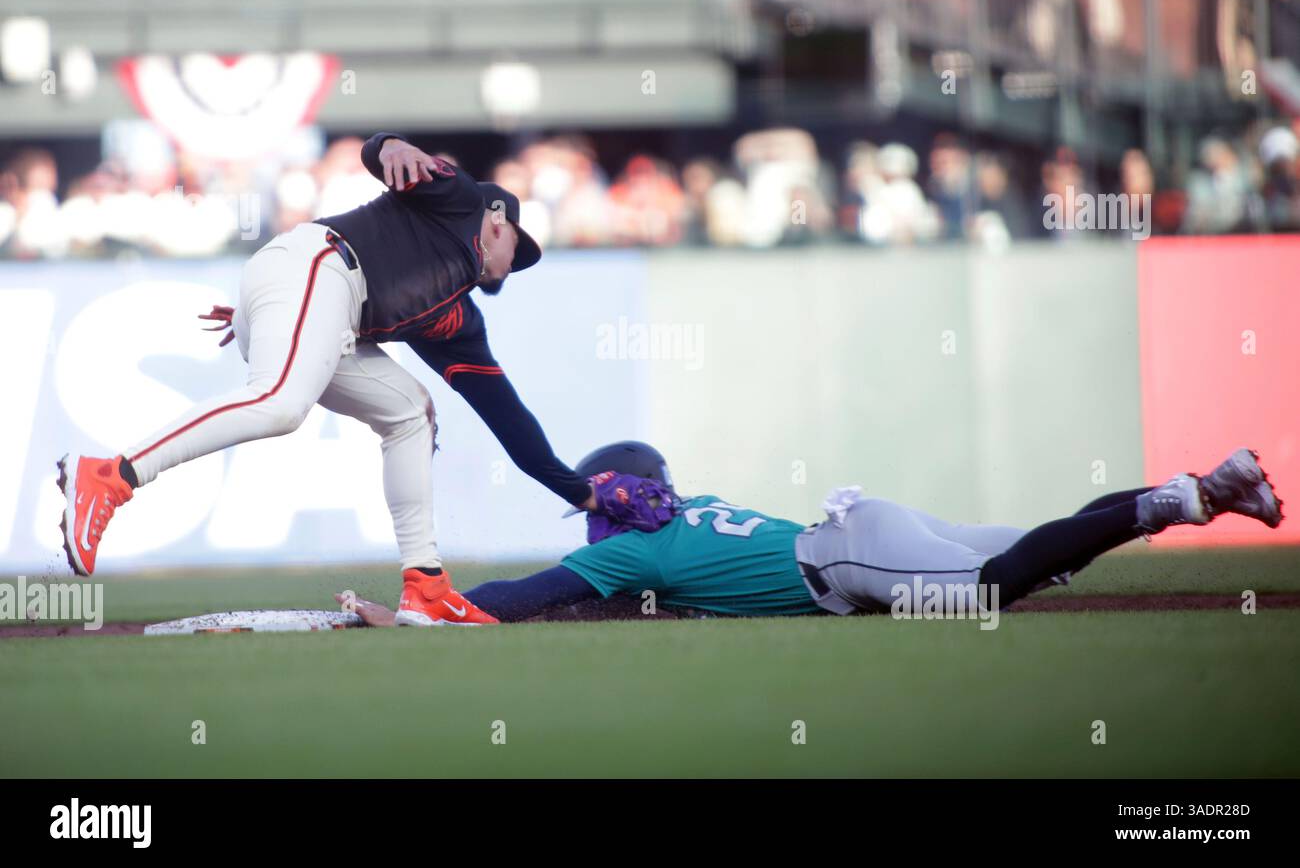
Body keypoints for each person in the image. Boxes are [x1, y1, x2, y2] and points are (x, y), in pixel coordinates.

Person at [57, 132, 600, 627]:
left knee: (412, 413)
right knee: (281, 405)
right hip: (316, 268)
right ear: (499, 221)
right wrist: (389, 147)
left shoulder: (455, 322)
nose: (515, 261)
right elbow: (381, 154)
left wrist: (584, 493)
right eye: (517, 249)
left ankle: (427, 586)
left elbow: (509, 420)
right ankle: (110, 474)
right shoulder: (462, 200)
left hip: (316, 302)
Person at [341, 441, 1284, 624]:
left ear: (612, 500)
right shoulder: (681, 512)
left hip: (848, 562)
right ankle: (1200, 487)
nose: (592, 518)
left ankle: (1172, 504)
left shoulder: (624, 550)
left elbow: (526, 598)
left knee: (999, 587)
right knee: (1041, 549)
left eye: (594, 501)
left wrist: (427, 615)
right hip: (865, 531)